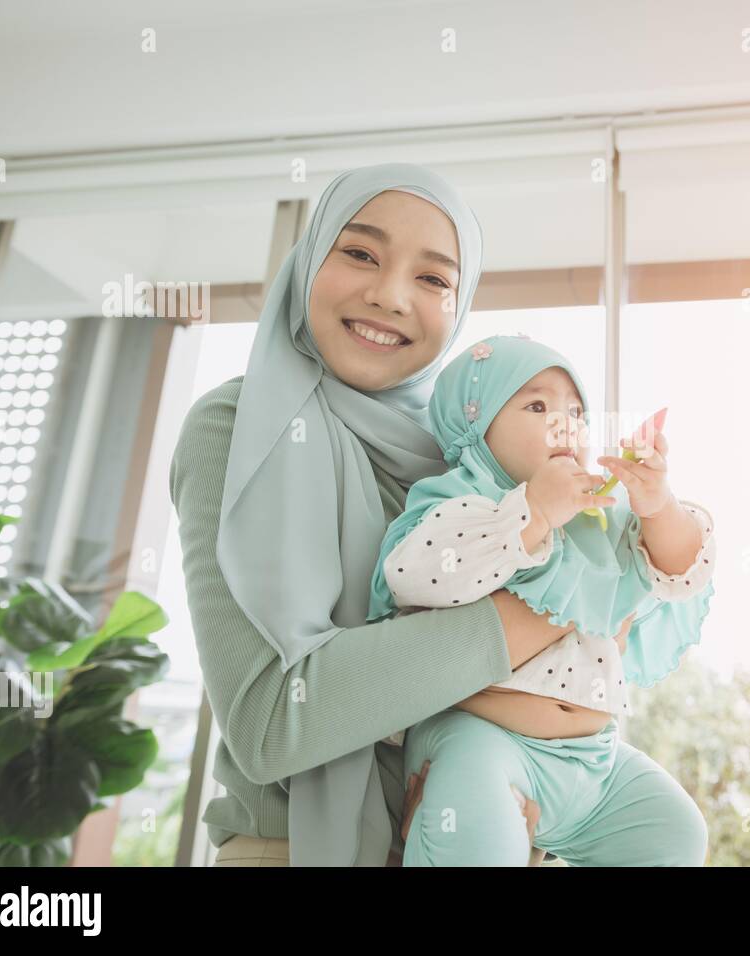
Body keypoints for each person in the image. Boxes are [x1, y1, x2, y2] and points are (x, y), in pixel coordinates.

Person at [169, 163, 582, 866]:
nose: (390, 296)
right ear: (308, 262)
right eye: (359, 253)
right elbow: (274, 720)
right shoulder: (237, 427)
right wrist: (542, 616)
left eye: (433, 279)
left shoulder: (473, 469)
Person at [364, 334, 716, 865]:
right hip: (484, 740)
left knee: (676, 832)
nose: (566, 423)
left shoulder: (605, 517)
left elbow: (681, 571)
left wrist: (655, 503)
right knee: (477, 841)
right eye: (537, 405)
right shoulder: (469, 501)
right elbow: (415, 573)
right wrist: (533, 512)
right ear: (475, 428)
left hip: (594, 760)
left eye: (577, 411)